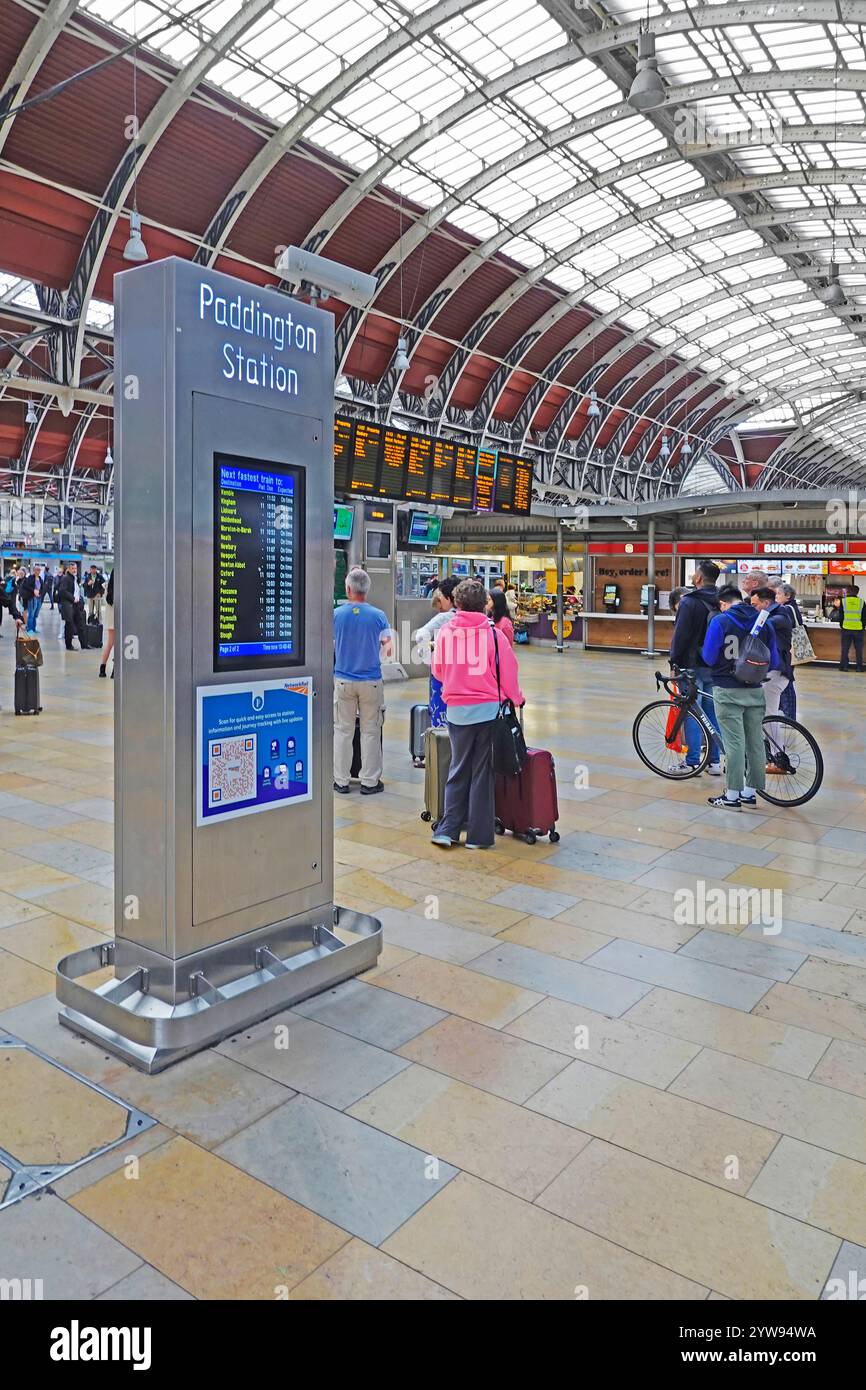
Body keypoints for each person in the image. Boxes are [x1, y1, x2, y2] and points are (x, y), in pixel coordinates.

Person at [430, 579, 524, 850]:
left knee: (458, 768)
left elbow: (438, 671)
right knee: (482, 772)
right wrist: (516, 698)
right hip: (487, 712)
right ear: (484, 604)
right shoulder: (494, 635)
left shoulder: (446, 633)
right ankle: (479, 837)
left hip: (457, 711)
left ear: (457, 604)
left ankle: (447, 830)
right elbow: (509, 674)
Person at [700, 584, 781, 811]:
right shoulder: (764, 622)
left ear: (724, 603)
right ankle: (750, 794)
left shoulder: (720, 621)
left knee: (734, 742)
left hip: (726, 689)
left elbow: (708, 656)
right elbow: (773, 661)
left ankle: (732, 796)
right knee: (755, 742)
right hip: (755, 690)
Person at [333, 566, 392, 795]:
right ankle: (369, 782)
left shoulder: (336, 614)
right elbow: (388, 648)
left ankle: (341, 781)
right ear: (367, 590)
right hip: (371, 682)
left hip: (343, 680)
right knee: (370, 731)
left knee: (343, 731)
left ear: (348, 589)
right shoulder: (378, 616)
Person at [668, 559, 722, 775]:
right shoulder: (722, 599)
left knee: (690, 712)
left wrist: (674, 661)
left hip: (691, 666)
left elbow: (680, 637)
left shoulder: (689, 602)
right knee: (712, 713)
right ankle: (714, 762)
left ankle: (692, 762)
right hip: (715, 665)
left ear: (698, 578)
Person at [750, 587, 794, 777]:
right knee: (766, 714)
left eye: (755, 605)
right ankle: (772, 755)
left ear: (766, 603)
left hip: (776, 673)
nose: (753, 609)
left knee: (770, 717)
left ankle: (779, 760)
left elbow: (763, 626)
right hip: (774, 672)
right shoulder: (775, 613)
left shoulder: (779, 615)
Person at [414, 576, 458, 727]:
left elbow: (421, 635)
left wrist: (429, 656)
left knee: (441, 721)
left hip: (442, 676)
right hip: (467, 679)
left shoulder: (444, 617)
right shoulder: (478, 618)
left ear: (448, 598)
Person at [833, 583, 866, 672]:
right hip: (858, 629)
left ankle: (844, 667)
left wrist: (842, 625)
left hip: (846, 628)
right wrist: (862, 626)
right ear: (857, 592)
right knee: (859, 649)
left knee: (845, 649)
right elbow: (864, 617)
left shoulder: (843, 601)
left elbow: (841, 615)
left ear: (848, 591)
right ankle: (859, 667)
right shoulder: (861, 602)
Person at [57, 562, 88, 651]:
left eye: (75, 568)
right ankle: (68, 645)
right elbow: (62, 591)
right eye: (72, 569)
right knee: (69, 626)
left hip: (76, 605)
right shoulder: (66, 578)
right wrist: (73, 598)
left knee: (80, 625)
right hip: (68, 605)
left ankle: (84, 645)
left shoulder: (75, 578)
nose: (74, 570)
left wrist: (79, 599)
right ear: (69, 569)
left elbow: (76, 590)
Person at [20, 563, 44, 634]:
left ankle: (33, 628)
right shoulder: (31, 577)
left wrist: (40, 593)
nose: (38, 571)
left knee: (35, 614)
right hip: (32, 598)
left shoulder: (40, 578)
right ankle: (29, 628)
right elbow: (26, 586)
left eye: (39, 570)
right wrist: (33, 590)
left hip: (38, 598)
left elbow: (42, 588)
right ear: (34, 570)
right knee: (31, 613)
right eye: (37, 570)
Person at [99, 568, 115, 678]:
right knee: (119, 646)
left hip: (110, 619)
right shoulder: (122, 587)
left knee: (109, 644)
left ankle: (102, 669)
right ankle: (115, 671)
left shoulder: (107, 586)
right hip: (119, 619)